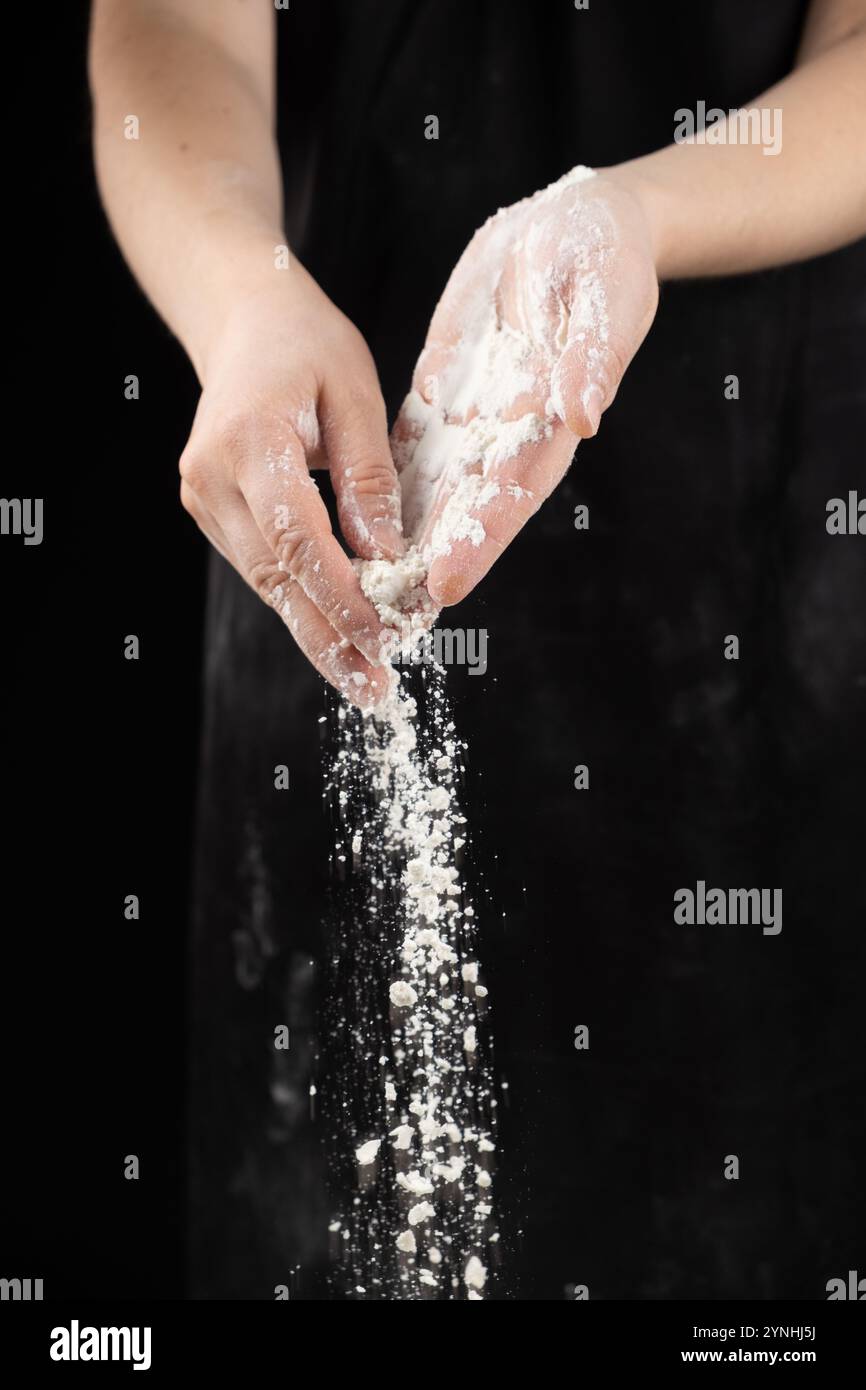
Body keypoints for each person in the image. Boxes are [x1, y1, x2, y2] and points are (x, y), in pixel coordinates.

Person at [90, 0, 866, 1299]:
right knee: (347, 1195)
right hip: (348, 464)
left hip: (757, 536)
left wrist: (634, 213)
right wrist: (239, 297)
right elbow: (175, 27)